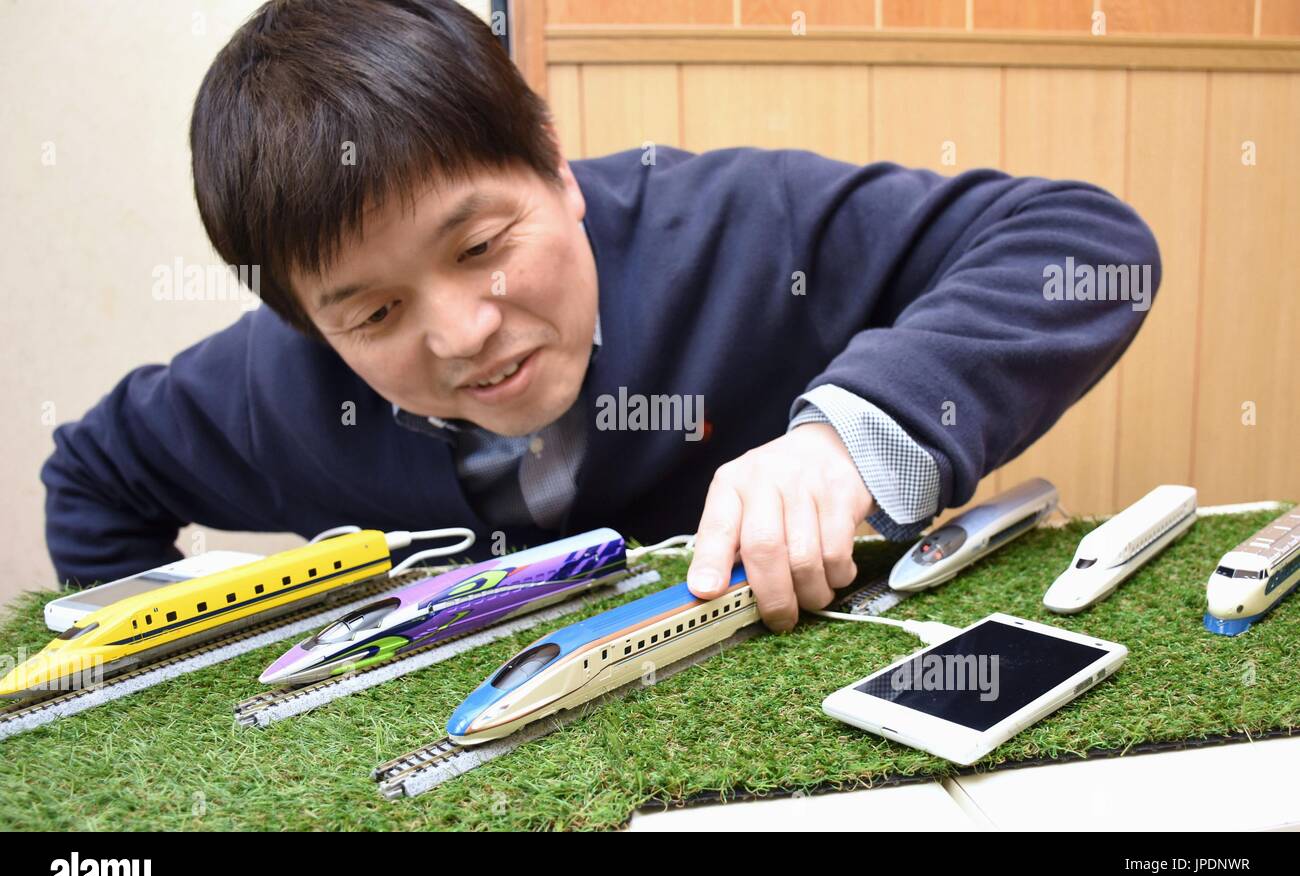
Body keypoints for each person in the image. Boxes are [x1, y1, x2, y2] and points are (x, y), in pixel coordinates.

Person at [41, 0, 1161, 632]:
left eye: (481, 247)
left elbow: (1087, 245)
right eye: (373, 311)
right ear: (304, 323)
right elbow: (93, 480)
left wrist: (847, 435)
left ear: (556, 169)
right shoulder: (265, 390)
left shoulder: (739, 228)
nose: (462, 332)